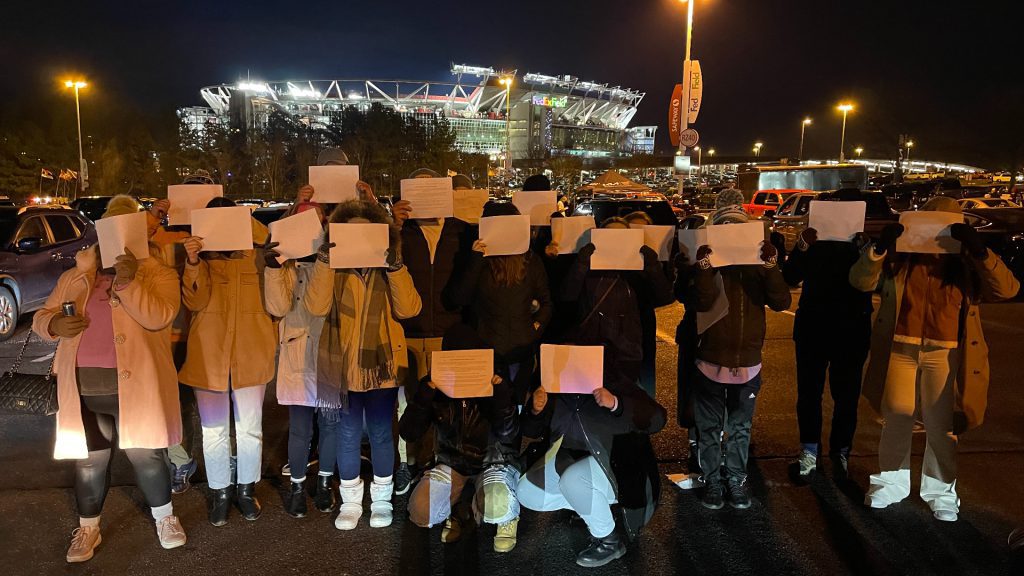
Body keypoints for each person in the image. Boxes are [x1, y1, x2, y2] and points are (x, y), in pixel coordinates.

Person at [33, 195, 186, 562]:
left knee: (146, 456)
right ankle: (88, 528)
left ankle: (165, 517)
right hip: (84, 386)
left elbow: (159, 316)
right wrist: (53, 323)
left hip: (137, 386)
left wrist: (130, 281)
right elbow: (44, 314)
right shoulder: (77, 274)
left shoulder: (159, 272)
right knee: (88, 460)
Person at [850, 197, 1018, 521]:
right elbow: (860, 280)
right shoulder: (901, 256)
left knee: (941, 425)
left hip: (946, 351)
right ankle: (890, 482)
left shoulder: (966, 263)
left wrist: (980, 252)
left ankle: (941, 489)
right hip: (901, 347)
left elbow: (1007, 289)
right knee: (896, 419)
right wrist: (879, 249)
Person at [303, 198, 422, 530]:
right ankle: (352, 500)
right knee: (347, 434)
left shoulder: (389, 266)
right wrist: (326, 258)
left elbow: (410, 309)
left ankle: (382, 498)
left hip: (381, 367)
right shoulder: (332, 268)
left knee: (383, 433)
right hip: (343, 369)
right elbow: (314, 305)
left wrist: (396, 266)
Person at [178, 197, 276, 527]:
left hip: (251, 352)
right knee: (213, 431)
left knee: (250, 430)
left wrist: (245, 225)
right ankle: (220, 491)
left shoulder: (258, 255)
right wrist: (192, 260)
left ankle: (246, 489)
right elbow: (195, 299)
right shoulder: (201, 259)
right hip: (209, 356)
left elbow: (274, 244)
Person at [691, 205, 792, 510]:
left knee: (739, 428)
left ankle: (736, 479)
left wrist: (771, 267)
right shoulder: (708, 264)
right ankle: (711, 480)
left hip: (747, 363)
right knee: (708, 427)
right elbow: (701, 301)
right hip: (709, 359)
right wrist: (705, 269)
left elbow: (781, 301)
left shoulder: (757, 267)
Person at [518, 368, 667, 567]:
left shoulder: (611, 378)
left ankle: (609, 540)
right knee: (527, 492)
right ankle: (591, 508)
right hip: (572, 464)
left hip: (618, 468)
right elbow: (531, 431)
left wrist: (616, 403)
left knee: (573, 480)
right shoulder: (555, 386)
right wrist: (535, 411)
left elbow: (657, 419)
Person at [399, 324, 521, 552]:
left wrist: (502, 396)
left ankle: (506, 514)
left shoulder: (495, 379)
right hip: (452, 462)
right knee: (420, 509)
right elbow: (409, 432)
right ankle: (457, 508)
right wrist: (424, 398)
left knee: (497, 503)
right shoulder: (437, 383)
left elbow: (508, 433)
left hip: (493, 460)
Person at [390, 168, 473, 496]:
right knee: (410, 405)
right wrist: (393, 225)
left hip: (448, 334)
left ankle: (446, 463)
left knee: (449, 405)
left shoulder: (461, 231)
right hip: (408, 331)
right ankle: (411, 464)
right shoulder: (401, 231)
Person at [782, 188, 874, 477]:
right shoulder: (815, 242)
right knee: (809, 393)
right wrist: (802, 246)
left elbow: (873, 281)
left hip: (851, 327)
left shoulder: (864, 245)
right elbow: (790, 277)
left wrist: (868, 251)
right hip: (814, 325)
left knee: (846, 395)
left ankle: (840, 452)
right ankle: (809, 451)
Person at [262, 189, 339, 518]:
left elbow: (320, 304)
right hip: (295, 348)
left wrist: (323, 260)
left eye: (319, 218)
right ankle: (296, 485)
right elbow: (277, 307)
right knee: (300, 426)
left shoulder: (334, 257)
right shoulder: (286, 264)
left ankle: (323, 482)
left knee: (331, 423)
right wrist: (271, 268)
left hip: (327, 349)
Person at [450, 201, 553, 405]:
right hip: (486, 351)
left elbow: (546, 301)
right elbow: (459, 298)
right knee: (491, 409)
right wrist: (476, 260)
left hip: (521, 351)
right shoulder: (478, 261)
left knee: (516, 406)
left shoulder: (530, 261)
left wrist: (535, 328)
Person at [560, 216, 673, 394]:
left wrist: (653, 267)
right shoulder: (589, 268)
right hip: (591, 349)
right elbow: (567, 295)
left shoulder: (638, 272)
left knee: (626, 406)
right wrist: (581, 264)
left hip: (627, 353)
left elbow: (664, 297)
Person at [147, 173, 209, 495]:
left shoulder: (219, 234)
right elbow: (127, 245)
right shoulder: (160, 236)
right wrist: (152, 217)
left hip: (207, 333)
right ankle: (181, 460)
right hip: (168, 334)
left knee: (211, 406)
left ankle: (219, 463)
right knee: (172, 403)